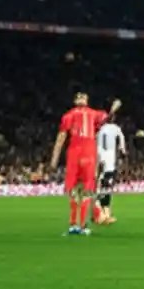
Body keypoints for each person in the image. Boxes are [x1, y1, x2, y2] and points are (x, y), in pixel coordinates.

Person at [50, 92, 121, 236]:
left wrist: (54, 159)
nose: (81, 98)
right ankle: (79, 225)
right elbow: (107, 119)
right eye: (79, 96)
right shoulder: (92, 114)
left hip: (77, 154)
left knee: (78, 190)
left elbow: (61, 137)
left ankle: (77, 225)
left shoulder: (71, 115)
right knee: (81, 190)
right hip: (86, 153)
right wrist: (113, 110)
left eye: (83, 96)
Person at [94, 117, 126, 225]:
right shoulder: (115, 128)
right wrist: (123, 152)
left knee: (100, 187)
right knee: (106, 188)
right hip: (109, 161)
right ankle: (102, 215)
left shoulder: (99, 129)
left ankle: (102, 213)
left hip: (98, 159)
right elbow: (122, 144)